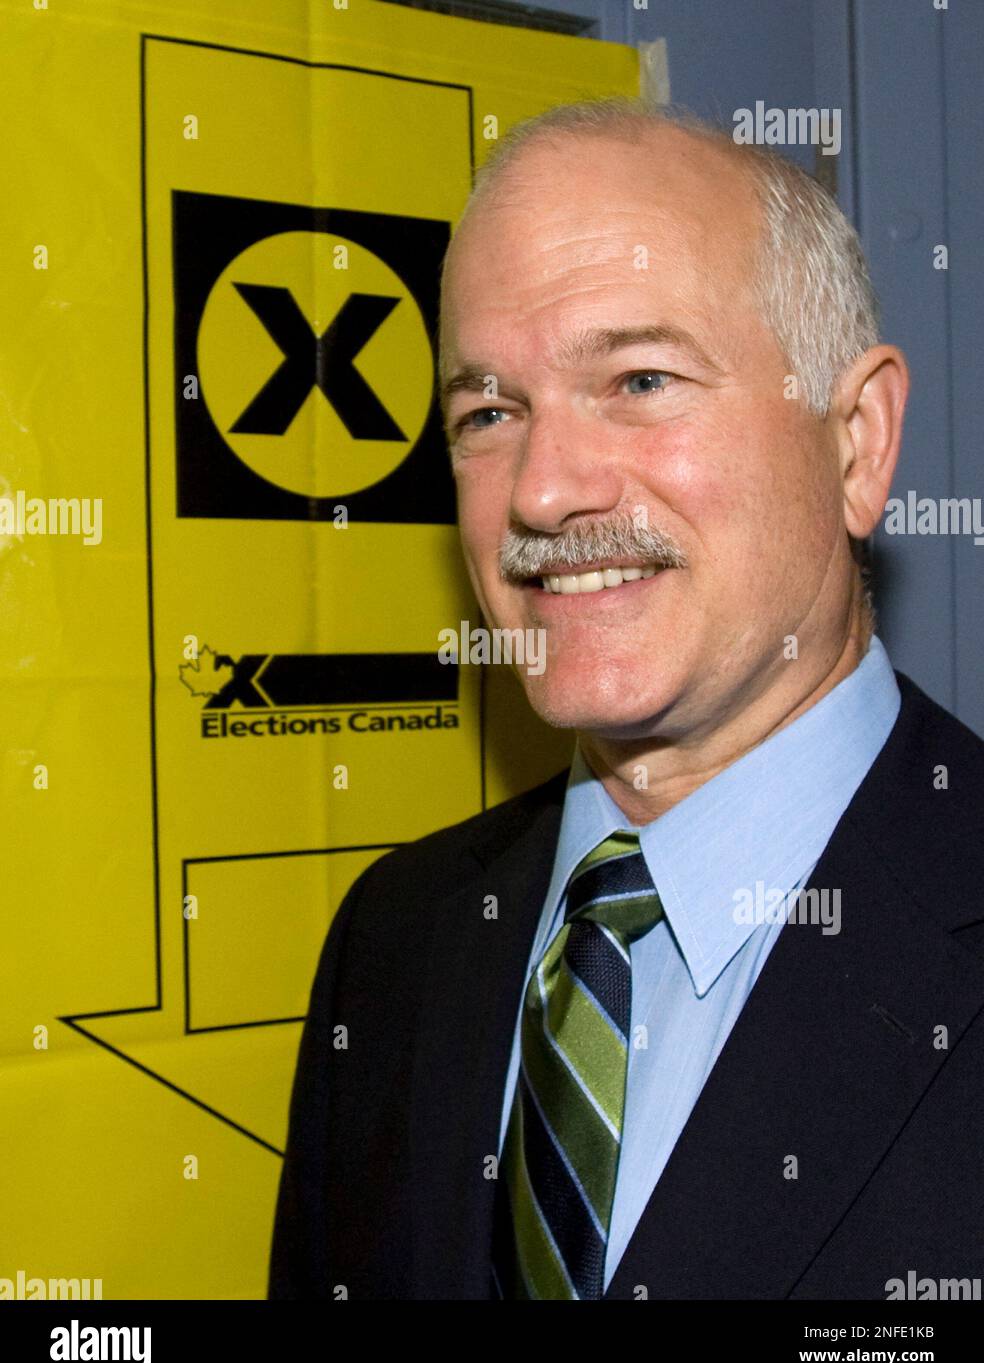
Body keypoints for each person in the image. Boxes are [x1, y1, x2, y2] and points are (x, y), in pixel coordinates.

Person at [268, 97, 984, 1300]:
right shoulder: (393, 944)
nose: (544, 490)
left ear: (857, 443)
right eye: (489, 411)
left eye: (641, 379)